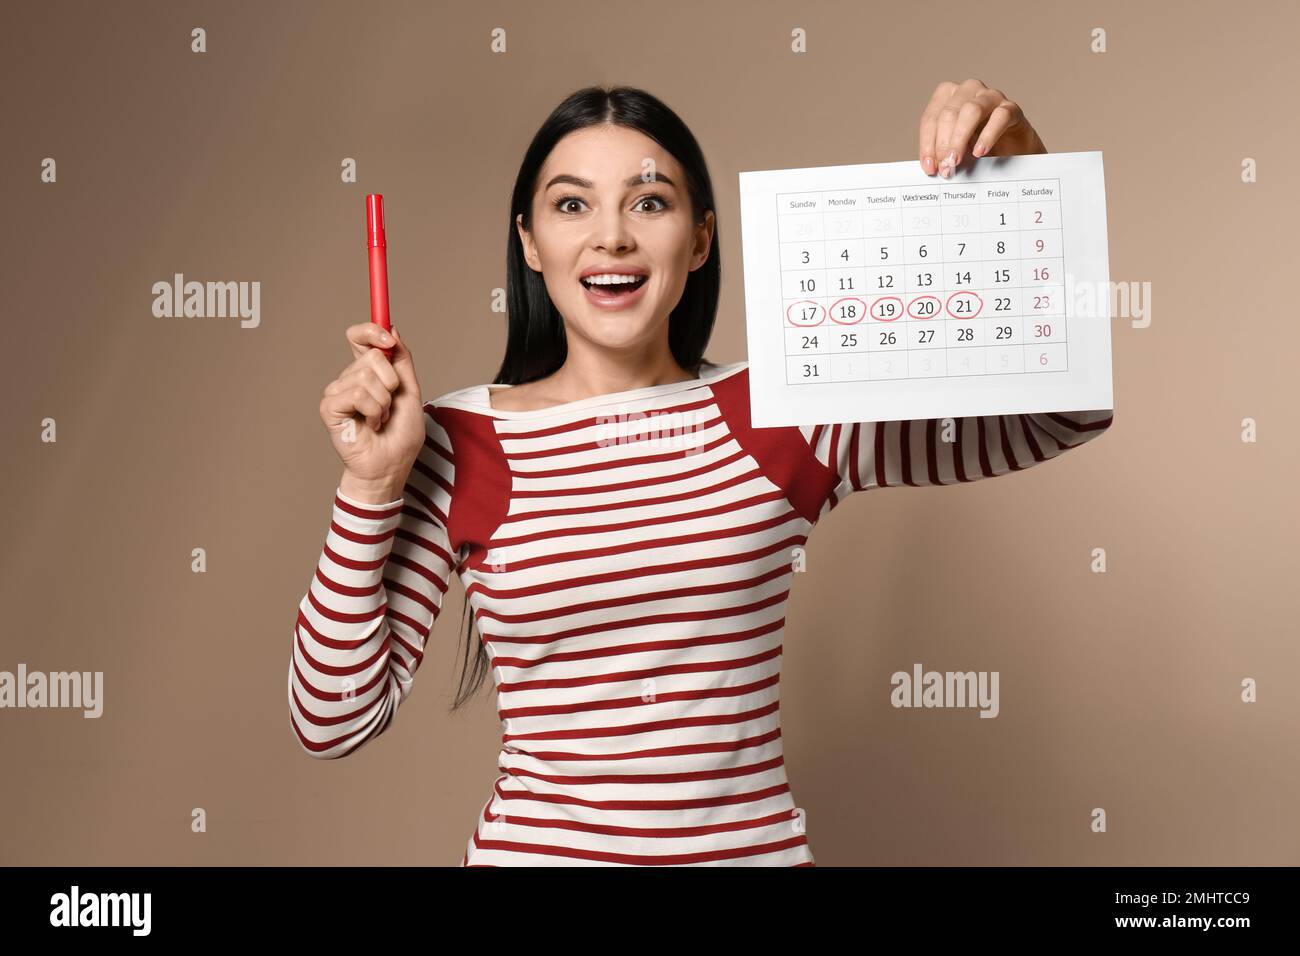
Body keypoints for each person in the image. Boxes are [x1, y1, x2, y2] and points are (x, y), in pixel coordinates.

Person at [288, 80, 1113, 866]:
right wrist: (371, 485)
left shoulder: (789, 409)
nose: (611, 235)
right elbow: (333, 722)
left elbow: (1065, 413)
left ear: (702, 238)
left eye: (649, 201)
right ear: (531, 244)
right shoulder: (455, 441)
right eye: (572, 203)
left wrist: (1028, 181)